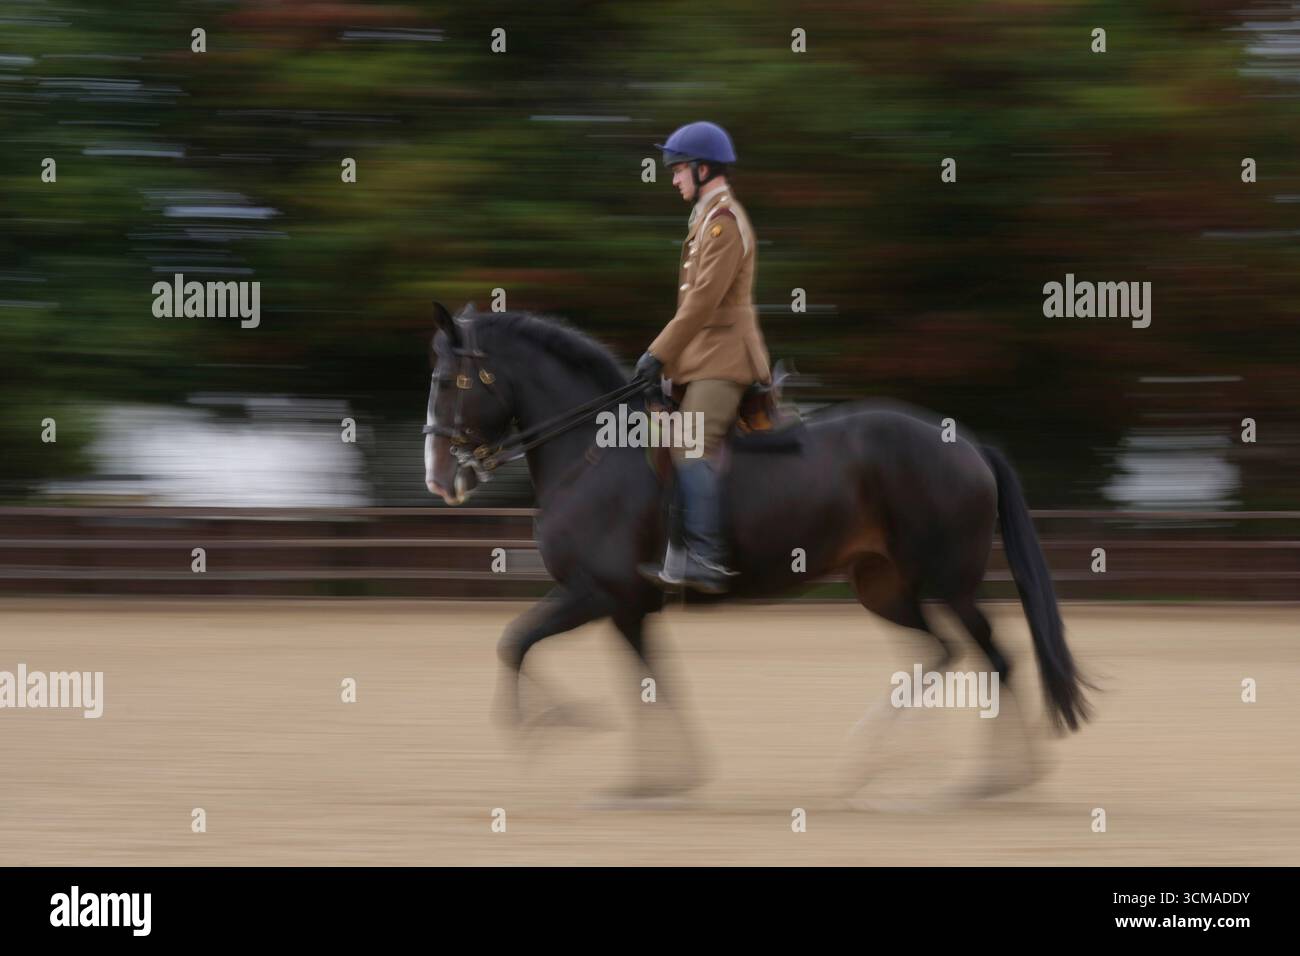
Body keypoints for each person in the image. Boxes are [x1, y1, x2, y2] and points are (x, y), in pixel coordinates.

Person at [634, 121, 771, 594]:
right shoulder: (706, 218)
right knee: (657, 436)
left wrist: (655, 355)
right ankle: (674, 555)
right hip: (700, 357)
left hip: (726, 360)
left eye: (677, 171)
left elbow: (701, 304)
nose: (672, 179)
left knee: (692, 441)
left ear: (702, 168)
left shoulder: (723, 222)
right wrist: (664, 363)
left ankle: (709, 558)